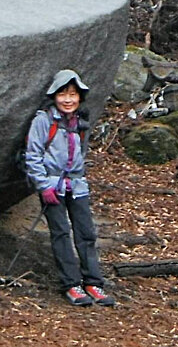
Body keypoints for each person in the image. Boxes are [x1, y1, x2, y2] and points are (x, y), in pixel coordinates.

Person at [24, 68, 116, 307]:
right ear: (54, 95)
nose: (68, 99)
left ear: (80, 97)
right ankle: (71, 284)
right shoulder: (43, 120)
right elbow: (32, 155)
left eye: (73, 94)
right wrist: (43, 186)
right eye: (63, 94)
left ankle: (93, 283)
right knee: (61, 234)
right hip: (52, 185)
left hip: (76, 185)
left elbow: (81, 153)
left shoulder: (80, 122)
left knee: (86, 233)